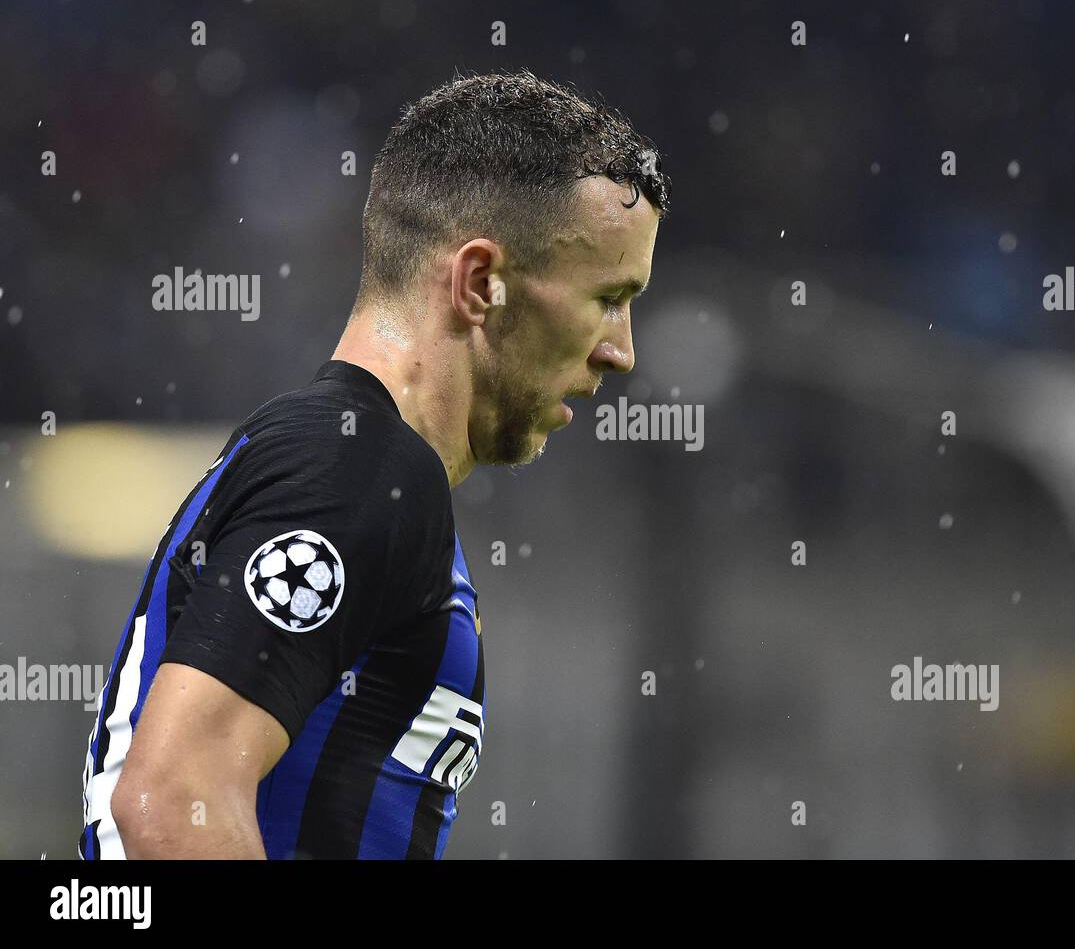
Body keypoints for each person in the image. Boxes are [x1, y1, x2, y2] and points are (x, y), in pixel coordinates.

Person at [79, 69, 670, 859]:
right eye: (607, 298)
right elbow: (170, 801)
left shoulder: (344, 462)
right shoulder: (356, 470)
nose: (622, 352)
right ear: (480, 282)